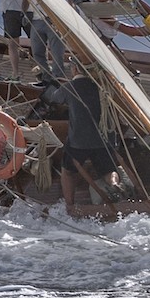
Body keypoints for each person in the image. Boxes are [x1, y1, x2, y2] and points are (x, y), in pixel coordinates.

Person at [55, 73, 123, 216]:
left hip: (79, 141)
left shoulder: (70, 87)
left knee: (68, 171)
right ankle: (114, 185)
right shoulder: (105, 87)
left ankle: (70, 205)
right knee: (109, 169)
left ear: (74, 69)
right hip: (104, 139)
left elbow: (54, 99)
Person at [28, 0, 69, 77]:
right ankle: (46, 77)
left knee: (57, 53)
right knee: (37, 52)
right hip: (36, 20)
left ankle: (58, 77)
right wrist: (25, 14)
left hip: (54, 20)